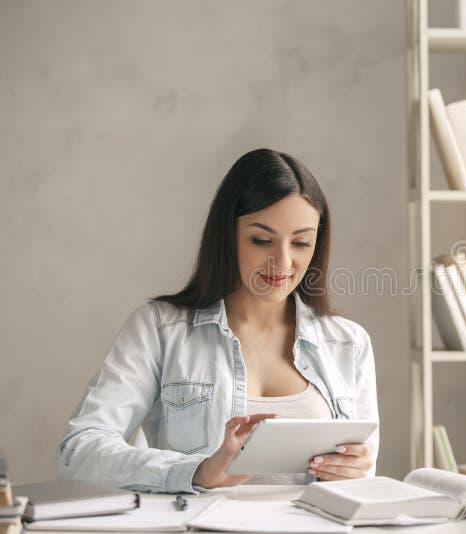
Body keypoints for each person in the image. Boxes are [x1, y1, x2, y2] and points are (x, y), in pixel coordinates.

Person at [54, 149, 379, 493]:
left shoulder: (349, 343)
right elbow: (77, 451)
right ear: (227, 235)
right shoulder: (160, 329)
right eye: (261, 240)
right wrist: (196, 472)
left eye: (301, 243)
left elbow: (363, 477)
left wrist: (356, 470)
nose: (283, 262)